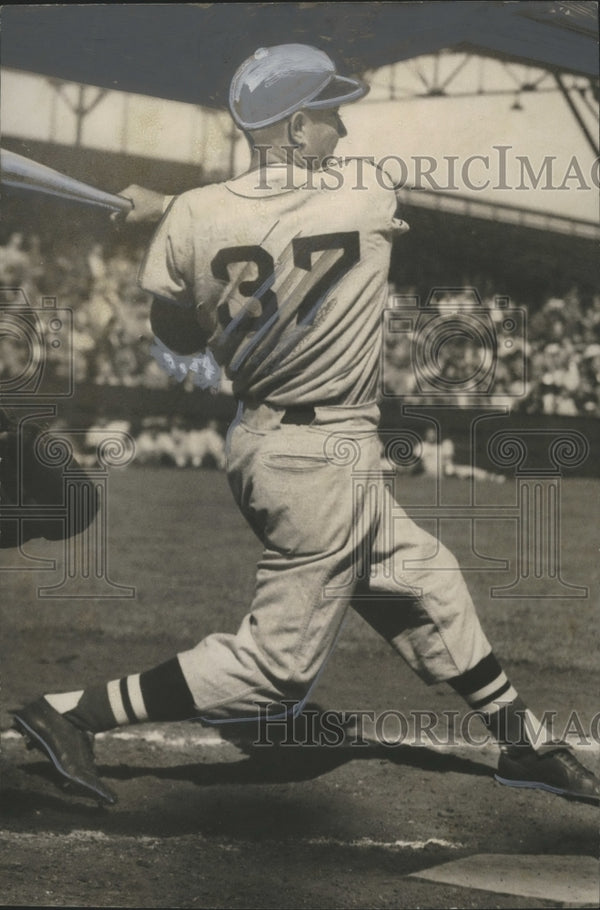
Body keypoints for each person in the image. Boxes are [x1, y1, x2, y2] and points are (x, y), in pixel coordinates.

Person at [13, 44, 598, 807]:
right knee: (277, 670)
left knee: (428, 579)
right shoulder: (365, 195)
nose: (341, 130)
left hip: (269, 444)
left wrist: (171, 213)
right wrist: (181, 205)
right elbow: (290, 212)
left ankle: (523, 745)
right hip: (319, 461)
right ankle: (69, 714)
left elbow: (178, 334)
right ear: (291, 128)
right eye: (327, 115)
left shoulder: (193, 219)